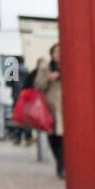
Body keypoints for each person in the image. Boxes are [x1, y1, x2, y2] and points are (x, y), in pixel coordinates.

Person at [34, 45, 64, 178]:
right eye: (56, 52)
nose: (58, 54)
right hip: (50, 107)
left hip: (65, 107)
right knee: (54, 138)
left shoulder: (69, 66)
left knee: (63, 139)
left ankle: (62, 166)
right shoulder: (45, 68)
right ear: (51, 54)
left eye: (61, 51)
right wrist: (48, 79)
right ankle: (59, 163)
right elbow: (38, 85)